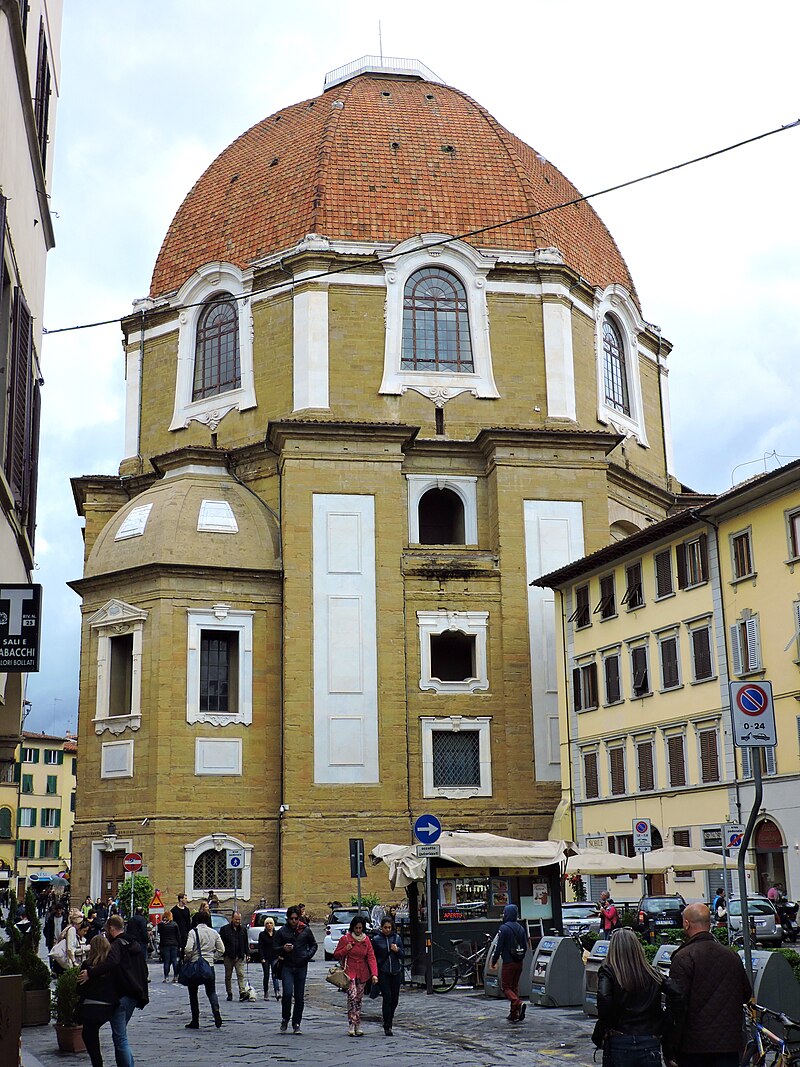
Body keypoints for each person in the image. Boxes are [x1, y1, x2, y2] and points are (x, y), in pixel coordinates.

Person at [665, 902, 752, 1067]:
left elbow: (677, 1005)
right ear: (709, 924)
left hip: (694, 1046)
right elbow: (746, 994)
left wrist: (670, 1046)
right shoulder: (731, 956)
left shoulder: (684, 957)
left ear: (686, 923)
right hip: (729, 1044)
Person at [595, 928, 680, 1066]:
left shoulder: (609, 972)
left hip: (620, 1038)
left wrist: (607, 1022)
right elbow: (677, 993)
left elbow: (604, 998)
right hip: (649, 1039)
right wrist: (665, 1018)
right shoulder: (652, 973)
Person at [77, 914, 149, 1067]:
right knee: (121, 1037)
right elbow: (144, 971)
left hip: (122, 996)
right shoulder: (134, 944)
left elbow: (112, 962)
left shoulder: (117, 945)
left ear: (110, 928)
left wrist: (90, 973)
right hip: (135, 994)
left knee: (120, 1038)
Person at [273, 905, 318, 1034]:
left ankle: (296, 1022)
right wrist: (283, 948)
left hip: (301, 965)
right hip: (287, 965)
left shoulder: (305, 930)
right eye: (291, 918)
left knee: (299, 997)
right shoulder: (282, 931)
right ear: (288, 918)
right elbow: (274, 948)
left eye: (296, 918)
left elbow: (314, 945)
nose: (293, 921)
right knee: (287, 994)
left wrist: (307, 956)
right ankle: (285, 1018)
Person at [334, 914, 378, 1037]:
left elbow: (371, 957)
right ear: (352, 927)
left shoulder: (366, 940)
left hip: (363, 973)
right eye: (356, 928)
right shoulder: (346, 939)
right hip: (350, 972)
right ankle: (351, 1024)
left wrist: (374, 974)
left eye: (360, 928)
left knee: (358, 999)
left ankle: (357, 1023)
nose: (358, 930)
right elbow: (336, 954)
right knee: (352, 997)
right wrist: (346, 949)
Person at [78, 935, 118, 1067]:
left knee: (89, 1035)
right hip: (109, 1006)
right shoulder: (111, 965)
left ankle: (97, 1064)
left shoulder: (88, 965)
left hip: (91, 1007)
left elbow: (79, 988)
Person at [182, 912, 224, 1029]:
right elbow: (221, 949)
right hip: (209, 966)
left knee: (193, 993)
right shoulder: (214, 932)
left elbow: (188, 949)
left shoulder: (193, 932)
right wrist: (212, 958)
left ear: (197, 920)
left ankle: (195, 1020)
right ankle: (216, 1010)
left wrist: (188, 958)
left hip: (195, 965)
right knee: (211, 991)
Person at [489, 903, 529, 1023]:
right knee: (514, 987)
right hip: (519, 962)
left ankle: (518, 1003)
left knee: (505, 987)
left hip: (508, 962)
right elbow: (525, 946)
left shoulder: (503, 928)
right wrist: (520, 956)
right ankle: (514, 1013)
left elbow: (499, 946)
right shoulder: (521, 928)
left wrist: (494, 960)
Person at [371, 915, 404, 1036]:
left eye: (389, 927)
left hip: (395, 972)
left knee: (395, 1000)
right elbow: (373, 957)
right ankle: (387, 1025)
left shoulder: (397, 938)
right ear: (381, 927)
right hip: (383, 972)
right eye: (385, 927)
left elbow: (402, 955)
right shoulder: (376, 940)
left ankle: (390, 1020)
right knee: (387, 997)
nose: (388, 930)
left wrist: (397, 950)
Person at [220, 911, 249, 1001]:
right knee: (228, 976)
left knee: (240, 974)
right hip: (228, 956)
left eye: (239, 919)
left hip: (239, 956)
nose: (237, 921)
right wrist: (224, 953)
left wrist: (247, 954)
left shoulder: (243, 930)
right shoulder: (225, 929)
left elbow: (245, 942)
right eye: (236, 919)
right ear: (232, 919)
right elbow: (221, 943)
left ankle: (242, 992)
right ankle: (229, 993)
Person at [258, 915, 280, 1001]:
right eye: (267, 923)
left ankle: (277, 991)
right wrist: (261, 958)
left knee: (275, 975)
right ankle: (266, 992)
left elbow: (278, 945)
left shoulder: (276, 933)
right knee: (266, 975)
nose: (269, 925)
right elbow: (260, 947)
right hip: (266, 957)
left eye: (271, 923)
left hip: (274, 957)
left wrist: (279, 955)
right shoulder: (262, 934)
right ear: (265, 925)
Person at [158, 910, 181, 982]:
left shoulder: (161, 925)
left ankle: (166, 977)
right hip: (174, 944)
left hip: (165, 944)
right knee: (174, 960)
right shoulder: (174, 924)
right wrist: (179, 945)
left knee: (166, 961)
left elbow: (160, 934)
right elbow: (178, 935)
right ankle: (175, 976)